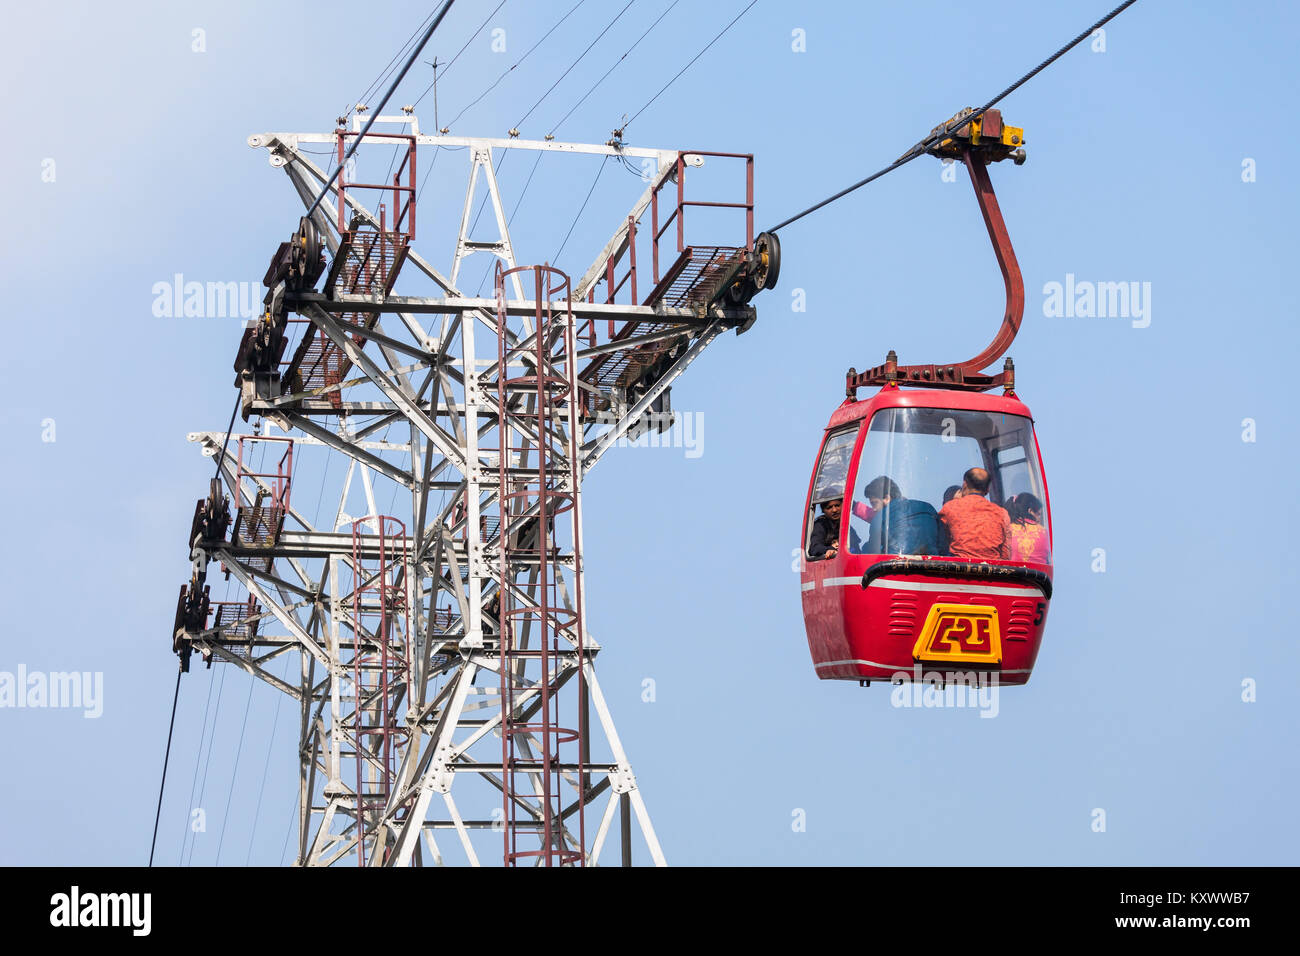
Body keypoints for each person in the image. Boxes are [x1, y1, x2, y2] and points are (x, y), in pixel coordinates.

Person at [937, 467, 1010, 560]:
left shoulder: (949, 508)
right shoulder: (1002, 513)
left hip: (960, 569)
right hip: (993, 571)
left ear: (964, 485)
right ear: (987, 490)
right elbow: (1005, 555)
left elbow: (941, 541)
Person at [859, 476, 939, 555]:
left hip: (893, 565)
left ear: (887, 498)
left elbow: (872, 554)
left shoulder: (879, 519)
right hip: (933, 565)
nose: (874, 509)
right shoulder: (929, 509)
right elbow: (943, 546)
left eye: (874, 503)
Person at [1007, 492, 1051, 564]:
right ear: (1030, 511)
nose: (1039, 519)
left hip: (1012, 573)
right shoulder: (1043, 531)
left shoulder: (1008, 529)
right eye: (1038, 514)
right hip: (1038, 574)